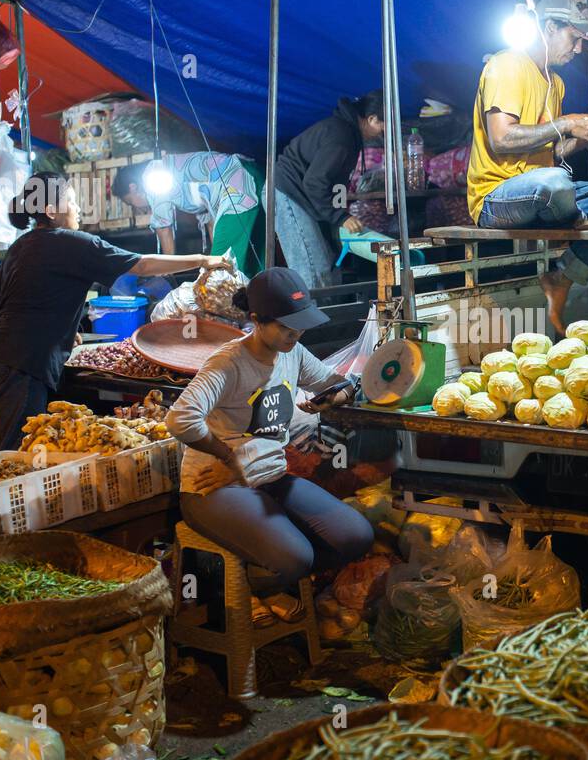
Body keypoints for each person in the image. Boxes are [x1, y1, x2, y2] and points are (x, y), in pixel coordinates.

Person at [0, 172, 226, 450]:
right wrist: (204, 260)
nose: (77, 209)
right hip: (22, 363)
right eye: (71, 202)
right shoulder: (74, 243)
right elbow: (142, 265)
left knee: (18, 444)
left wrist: (57, 329)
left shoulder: (21, 245)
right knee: (18, 452)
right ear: (51, 211)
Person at [165, 267, 373, 596]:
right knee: (296, 557)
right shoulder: (228, 363)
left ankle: (274, 578)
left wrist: (333, 398)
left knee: (356, 535)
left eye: (300, 327)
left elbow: (340, 383)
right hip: (212, 487)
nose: (296, 335)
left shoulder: (293, 354)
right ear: (256, 320)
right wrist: (229, 457)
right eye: (286, 327)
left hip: (270, 477)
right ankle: (242, 592)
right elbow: (180, 419)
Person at [466, 0, 588, 333]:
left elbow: (549, 152)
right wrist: (567, 123)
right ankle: (573, 213)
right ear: (550, 26)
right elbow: (502, 138)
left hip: (543, 188)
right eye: (574, 38)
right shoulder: (508, 64)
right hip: (496, 198)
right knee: (554, 183)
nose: (578, 49)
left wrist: (579, 140)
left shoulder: (554, 82)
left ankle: (562, 276)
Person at [274, 90, 385, 290]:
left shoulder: (351, 136)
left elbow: (338, 182)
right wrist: (339, 217)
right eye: (383, 127)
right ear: (372, 119)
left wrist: (341, 215)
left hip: (304, 196)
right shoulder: (341, 137)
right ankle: (310, 319)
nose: (382, 133)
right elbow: (314, 182)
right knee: (313, 267)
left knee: (328, 262)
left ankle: (327, 317)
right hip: (288, 193)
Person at [112, 152, 265, 275]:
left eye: (131, 202)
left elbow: (164, 229)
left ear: (133, 188)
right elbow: (212, 223)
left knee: (220, 274)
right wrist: (212, 254)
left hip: (238, 187)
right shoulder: (173, 172)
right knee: (253, 261)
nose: (137, 208)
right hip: (251, 173)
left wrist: (166, 272)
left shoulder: (153, 177)